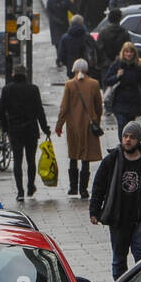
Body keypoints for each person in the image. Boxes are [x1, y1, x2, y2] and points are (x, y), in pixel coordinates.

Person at [89, 121, 141, 280]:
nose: (128, 140)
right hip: (118, 219)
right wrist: (94, 211)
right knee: (118, 260)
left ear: (139, 140)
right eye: (125, 136)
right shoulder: (111, 160)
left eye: (132, 137)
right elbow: (99, 186)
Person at [0, 67, 50, 202]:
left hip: (14, 130)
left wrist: (5, 128)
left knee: (17, 160)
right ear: (25, 75)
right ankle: (30, 187)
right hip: (31, 130)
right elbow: (40, 111)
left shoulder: (7, 89)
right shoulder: (33, 89)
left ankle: (20, 191)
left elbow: (0, 111)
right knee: (31, 160)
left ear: (13, 74)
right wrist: (45, 128)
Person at [54, 58, 104, 198]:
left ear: (74, 69)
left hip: (73, 126)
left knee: (73, 155)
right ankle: (84, 189)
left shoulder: (69, 84)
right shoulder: (94, 84)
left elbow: (64, 107)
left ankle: (73, 187)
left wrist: (59, 125)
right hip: (89, 126)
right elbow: (99, 106)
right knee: (86, 156)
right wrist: (97, 121)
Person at [104, 42, 141, 139]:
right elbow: (106, 81)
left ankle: (128, 147)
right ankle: (122, 146)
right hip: (119, 100)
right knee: (121, 124)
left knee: (130, 126)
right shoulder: (117, 64)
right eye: (126, 52)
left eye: (131, 52)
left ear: (134, 53)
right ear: (123, 53)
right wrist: (117, 76)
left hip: (133, 101)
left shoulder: (138, 67)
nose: (128, 54)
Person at [95, 8, 132, 77]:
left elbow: (99, 49)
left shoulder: (103, 33)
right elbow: (129, 48)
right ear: (120, 18)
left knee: (107, 85)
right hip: (121, 64)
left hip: (106, 65)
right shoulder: (124, 32)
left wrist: (102, 62)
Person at [57, 14, 93, 79]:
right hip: (86, 69)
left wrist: (68, 64)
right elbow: (94, 50)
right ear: (82, 24)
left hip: (71, 69)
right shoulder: (86, 37)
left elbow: (61, 55)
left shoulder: (65, 38)